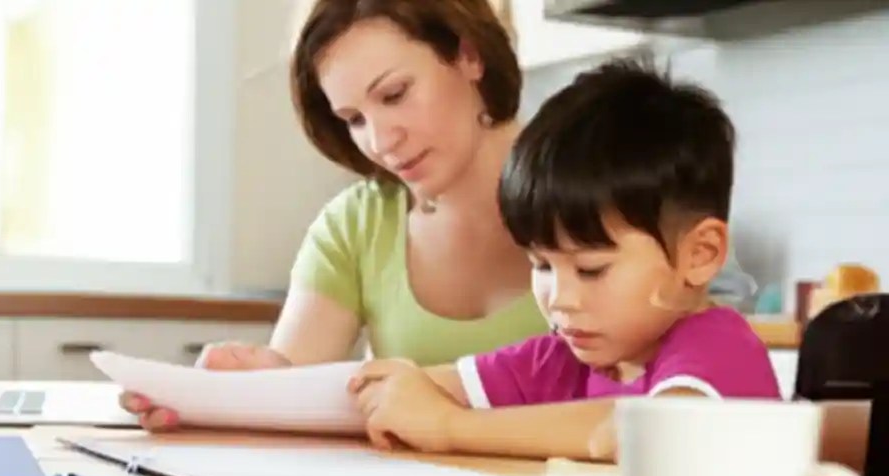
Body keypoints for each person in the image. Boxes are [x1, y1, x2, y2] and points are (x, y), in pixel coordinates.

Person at [120, 0, 753, 431]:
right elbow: (345, 392)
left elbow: (667, 415)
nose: (380, 141)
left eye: (395, 94)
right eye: (353, 119)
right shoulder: (358, 226)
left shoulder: (594, 188)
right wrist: (231, 397)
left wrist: (450, 427)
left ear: (468, 56)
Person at [347, 58, 779, 461]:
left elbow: (653, 433)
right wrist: (388, 388)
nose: (560, 300)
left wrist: (450, 426)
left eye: (591, 269)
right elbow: (420, 390)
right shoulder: (561, 361)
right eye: (542, 266)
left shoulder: (720, 347)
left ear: (699, 255)